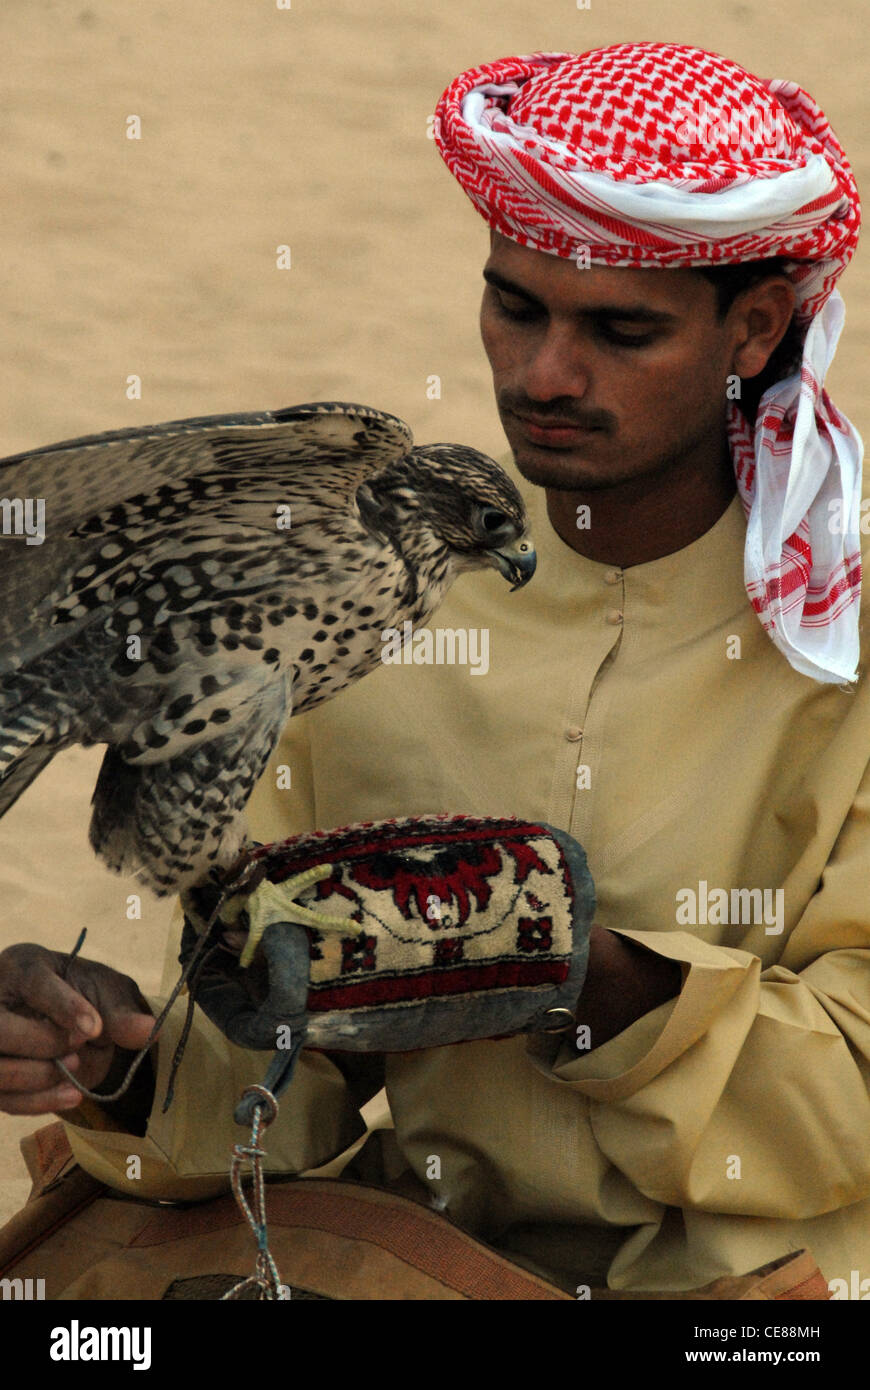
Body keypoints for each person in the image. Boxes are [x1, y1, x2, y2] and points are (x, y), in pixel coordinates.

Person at [1, 41, 868, 1297]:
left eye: (620, 330)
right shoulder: (351, 602)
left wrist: (583, 979)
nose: (543, 376)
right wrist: (122, 1058)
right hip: (427, 1264)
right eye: (516, 308)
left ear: (755, 326)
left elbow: (848, 1097)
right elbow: (280, 1092)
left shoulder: (837, 642)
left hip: (759, 1294)